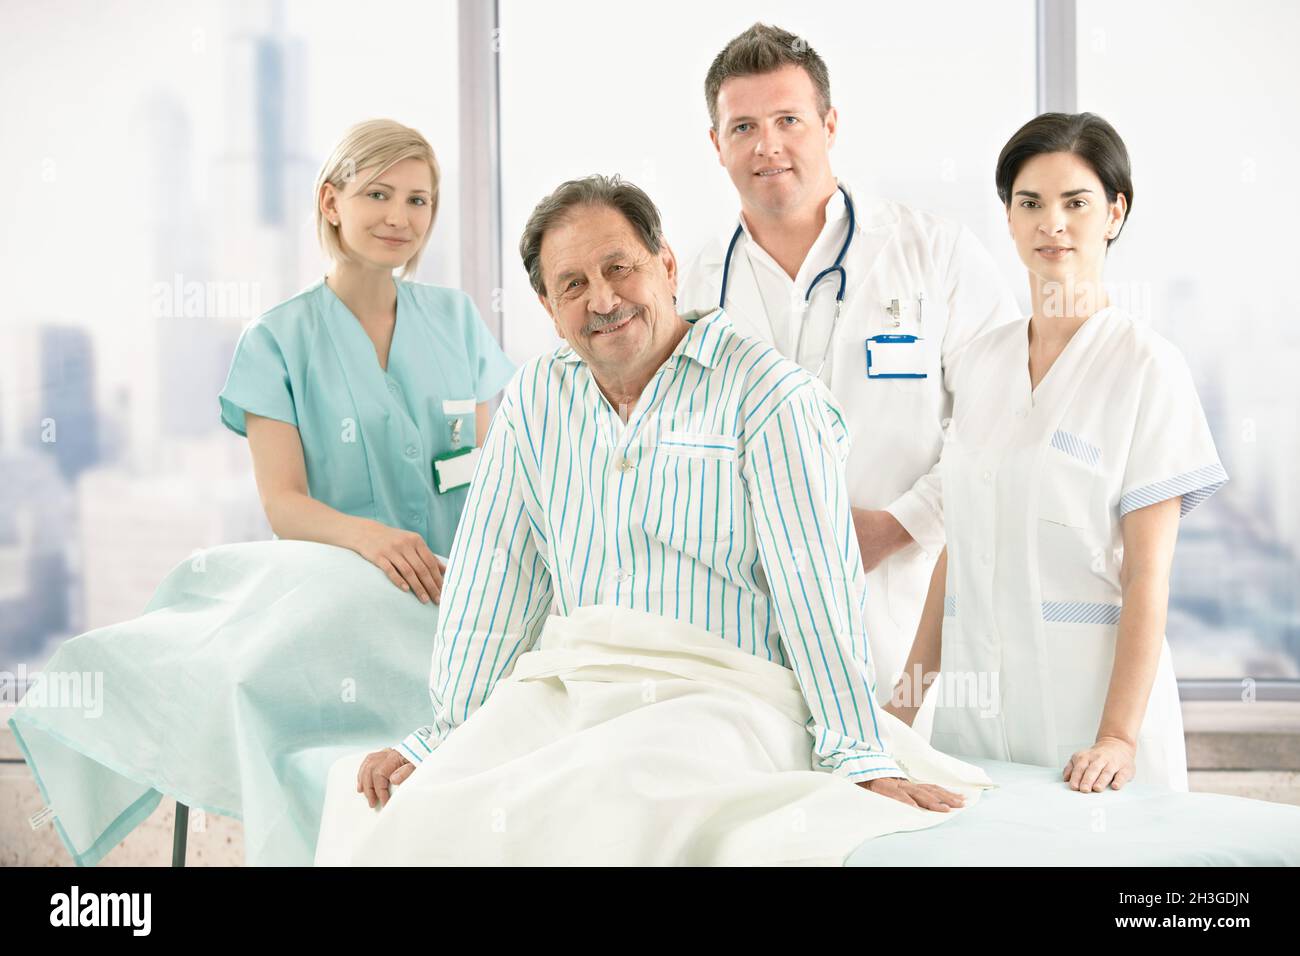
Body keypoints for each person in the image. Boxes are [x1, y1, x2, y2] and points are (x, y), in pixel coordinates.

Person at [346, 175, 974, 840]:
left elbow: (814, 583)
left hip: (723, 694)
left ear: (667, 266)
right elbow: (495, 576)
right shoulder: (537, 398)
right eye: (574, 285)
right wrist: (447, 735)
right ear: (547, 305)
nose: (603, 300)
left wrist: (857, 753)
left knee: (604, 801)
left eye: (619, 268)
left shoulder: (768, 396)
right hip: (577, 684)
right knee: (426, 814)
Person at [676, 24, 1021, 718]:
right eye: (743, 126)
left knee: (914, 799)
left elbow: (1004, 430)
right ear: (717, 145)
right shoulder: (694, 287)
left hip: (902, 617)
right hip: (744, 630)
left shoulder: (934, 256)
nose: (767, 144)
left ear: (829, 125)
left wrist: (896, 526)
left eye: (788, 120)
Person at [885, 113, 1227, 793]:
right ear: (1008, 220)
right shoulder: (982, 364)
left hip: (1094, 732)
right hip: (978, 721)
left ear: (1114, 214)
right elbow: (959, 544)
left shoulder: (1146, 367)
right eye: (1029, 203)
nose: (1052, 224)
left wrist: (1119, 738)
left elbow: (1147, 575)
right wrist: (902, 703)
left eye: (1076, 203)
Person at [219, 118, 515, 604]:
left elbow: (485, 472)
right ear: (331, 203)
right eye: (378, 194)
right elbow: (284, 504)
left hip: (460, 595)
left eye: (417, 200)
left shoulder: (456, 318)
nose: (399, 218)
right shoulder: (274, 341)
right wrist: (371, 538)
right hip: (338, 598)